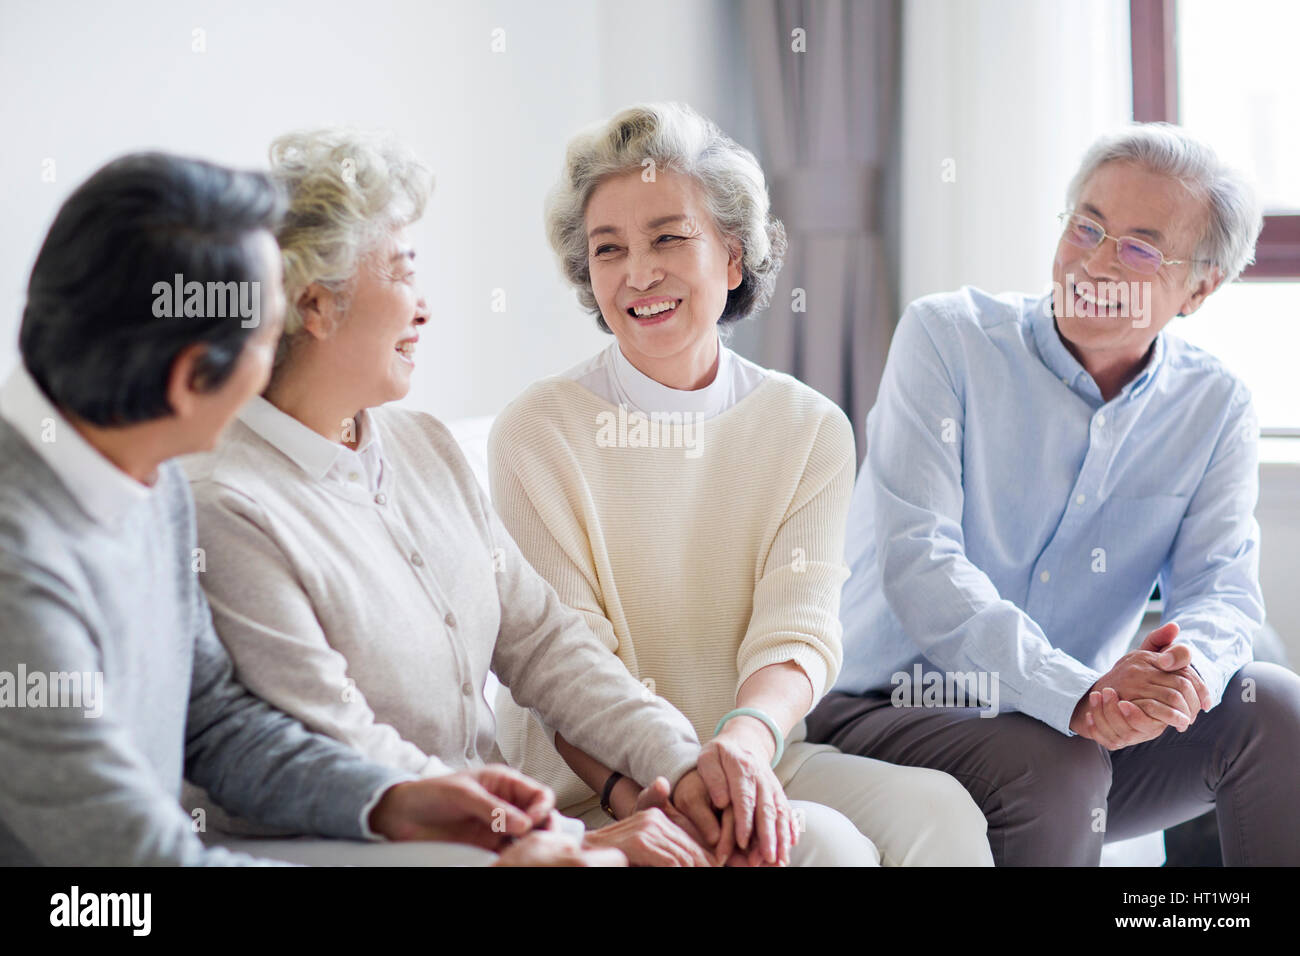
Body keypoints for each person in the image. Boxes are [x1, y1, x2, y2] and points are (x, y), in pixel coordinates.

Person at [0, 151, 618, 866]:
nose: (282, 354)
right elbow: (133, 869)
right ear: (186, 380)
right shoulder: (22, 564)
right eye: (268, 339)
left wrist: (390, 800)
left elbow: (219, 725)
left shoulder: (141, 470)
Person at [181, 128, 714, 867]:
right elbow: (339, 744)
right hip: (346, 846)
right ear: (315, 306)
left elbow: (545, 645)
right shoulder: (227, 501)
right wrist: (570, 841)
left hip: (496, 836)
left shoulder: (424, 445)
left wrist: (687, 769)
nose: (425, 309)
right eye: (402, 273)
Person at [489, 102, 994, 866]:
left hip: (755, 751)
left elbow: (798, 632)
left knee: (941, 813)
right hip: (597, 784)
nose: (638, 272)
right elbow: (566, 671)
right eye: (609, 249)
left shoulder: (807, 426)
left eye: (668, 237)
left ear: (733, 258)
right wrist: (659, 799)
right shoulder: (537, 431)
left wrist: (745, 745)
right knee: (825, 846)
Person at [806, 123, 1300, 866]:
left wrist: (1184, 675)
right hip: (887, 706)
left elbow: (1221, 591)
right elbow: (921, 563)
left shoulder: (1216, 405)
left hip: (1076, 723)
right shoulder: (948, 339)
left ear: (1199, 288)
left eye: (1137, 247)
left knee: (1277, 708)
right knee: (1056, 763)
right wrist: (1075, 693)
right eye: (1086, 226)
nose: (1094, 262)